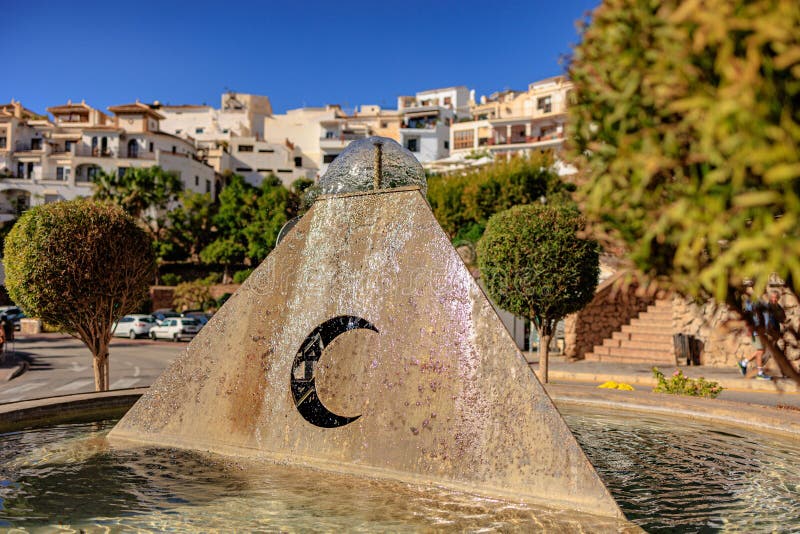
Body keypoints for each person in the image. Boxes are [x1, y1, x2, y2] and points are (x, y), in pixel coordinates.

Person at [738, 290, 771, 380]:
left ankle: (744, 363)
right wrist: (749, 329)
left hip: (762, 331)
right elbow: (747, 316)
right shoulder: (751, 303)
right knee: (760, 351)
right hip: (756, 331)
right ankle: (759, 373)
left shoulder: (763, 302)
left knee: (760, 351)